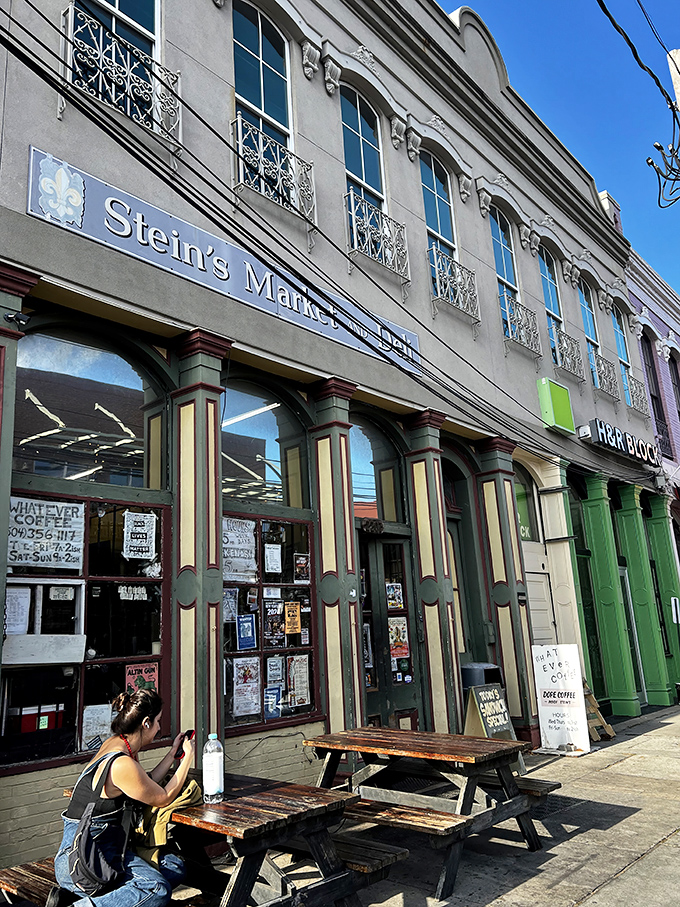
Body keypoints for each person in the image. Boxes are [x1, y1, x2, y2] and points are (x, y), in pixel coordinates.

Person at [52, 689, 196, 907]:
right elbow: (163, 797)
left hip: (102, 849)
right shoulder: (121, 763)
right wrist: (188, 760)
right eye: (158, 721)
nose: (159, 728)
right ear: (146, 723)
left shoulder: (116, 744)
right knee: (156, 889)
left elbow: (144, 784)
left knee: (174, 867)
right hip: (84, 861)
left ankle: (98, 900)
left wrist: (172, 754)